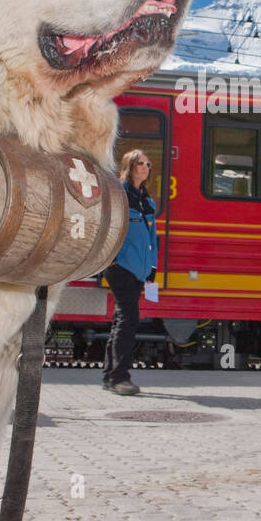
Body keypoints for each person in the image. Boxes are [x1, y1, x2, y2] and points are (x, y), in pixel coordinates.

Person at [103, 149, 158, 396]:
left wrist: (152, 267)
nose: (145, 168)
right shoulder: (120, 195)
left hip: (139, 270)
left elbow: (151, 238)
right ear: (130, 166)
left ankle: (109, 375)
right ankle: (119, 377)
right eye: (140, 164)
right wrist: (111, 258)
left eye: (147, 164)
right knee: (129, 319)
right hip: (121, 268)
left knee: (121, 319)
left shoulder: (147, 201)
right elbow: (108, 227)